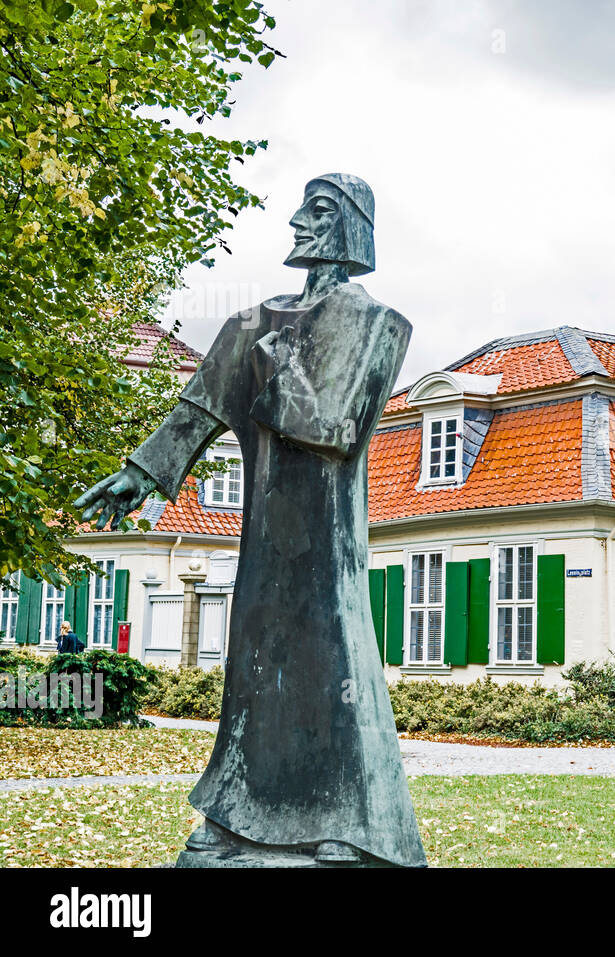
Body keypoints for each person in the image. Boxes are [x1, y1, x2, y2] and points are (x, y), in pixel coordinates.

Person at [74, 174, 424, 868]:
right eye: (301, 206)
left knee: (332, 667)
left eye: (317, 210)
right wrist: (144, 471)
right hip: (266, 536)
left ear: (352, 230)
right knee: (256, 672)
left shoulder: (375, 322)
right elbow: (199, 406)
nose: (295, 220)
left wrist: (277, 360)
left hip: (326, 543)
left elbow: (331, 427)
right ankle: (235, 817)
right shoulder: (252, 322)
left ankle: (349, 822)